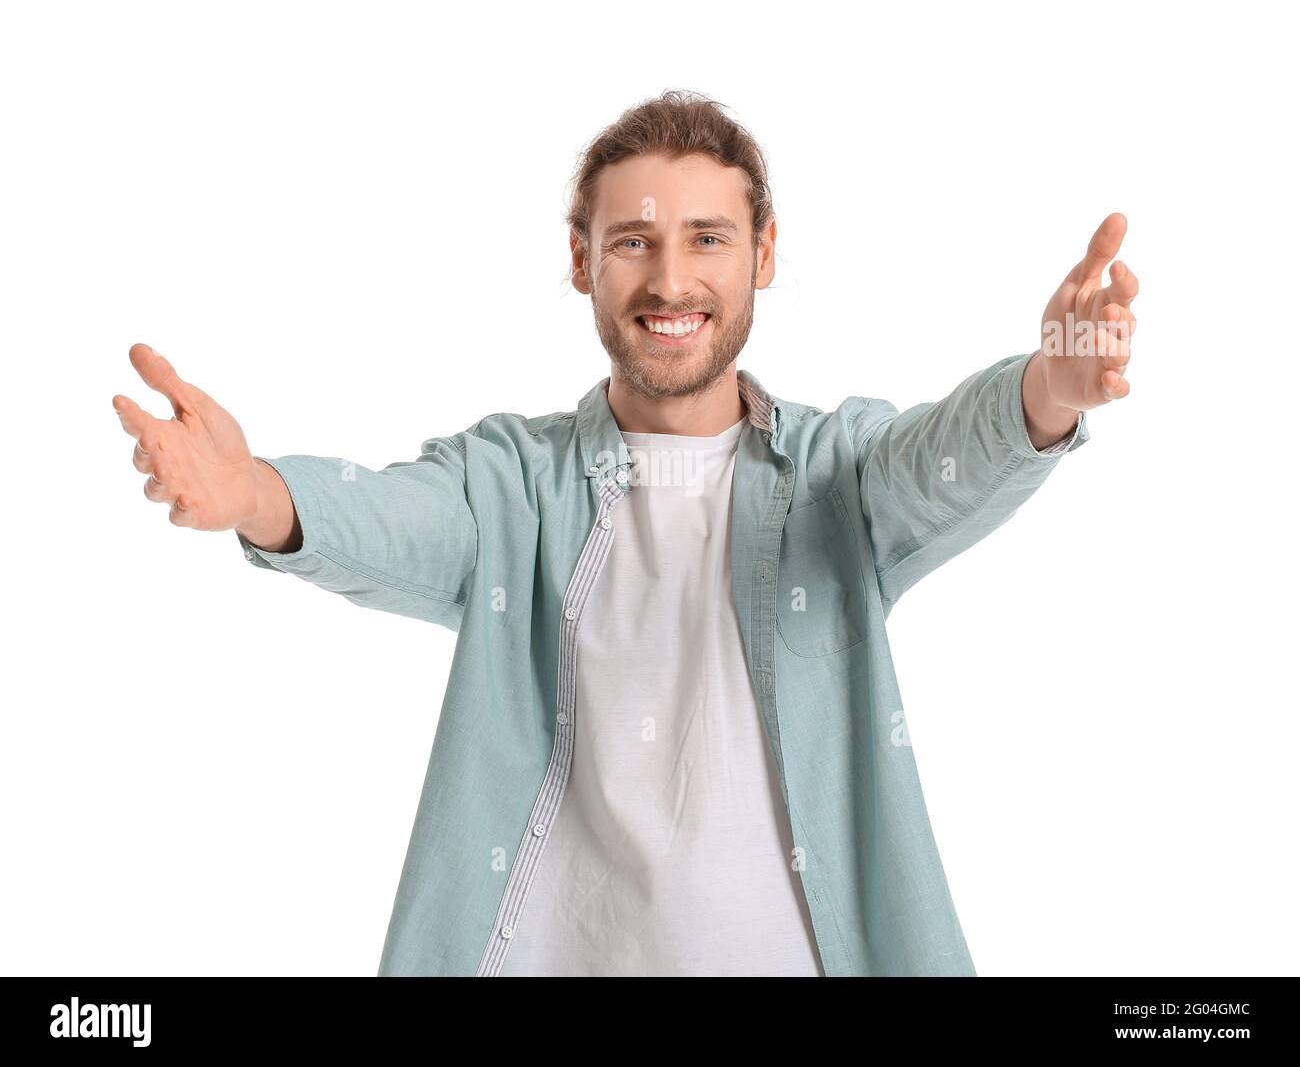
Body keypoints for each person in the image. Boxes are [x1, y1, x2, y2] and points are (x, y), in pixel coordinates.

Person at [111, 89, 1138, 976]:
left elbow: (945, 457)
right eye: (633, 241)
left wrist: (1048, 387)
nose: (670, 281)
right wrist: (253, 492)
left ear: (763, 253)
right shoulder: (511, 482)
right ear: (582, 260)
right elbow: (389, 520)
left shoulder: (839, 474)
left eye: (708, 238)